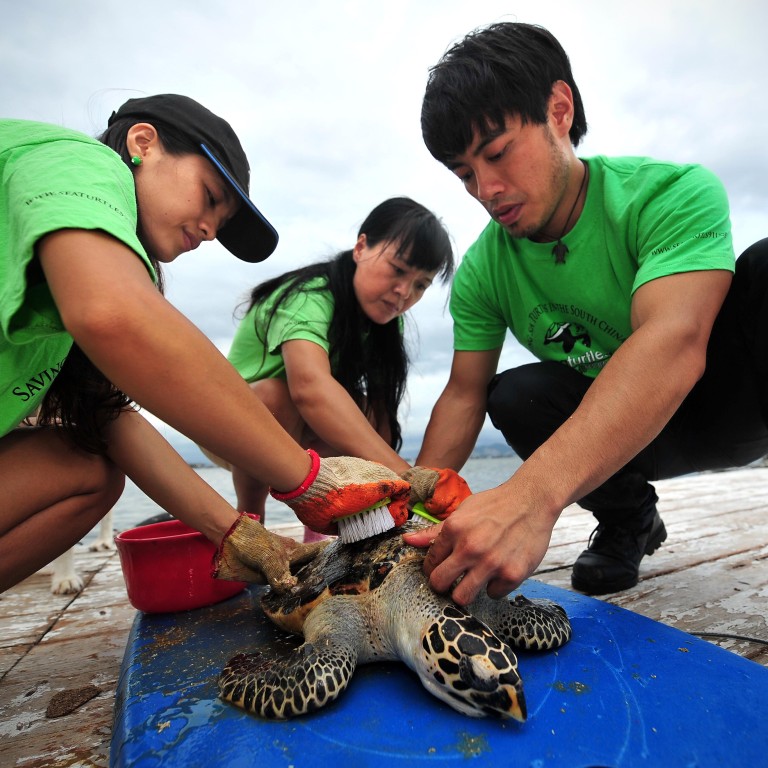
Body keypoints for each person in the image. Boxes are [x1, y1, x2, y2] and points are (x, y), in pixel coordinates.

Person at [403, 22, 768, 603]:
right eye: (465, 173)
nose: (485, 190)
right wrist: (410, 517)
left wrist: (529, 498)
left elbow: (674, 340)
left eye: (496, 153)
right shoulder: (483, 269)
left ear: (558, 110)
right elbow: (464, 395)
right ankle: (630, 521)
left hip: (725, 410)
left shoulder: (669, 193)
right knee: (513, 394)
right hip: (621, 444)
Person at [0, 93, 416, 594]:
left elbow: (110, 419)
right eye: (211, 197)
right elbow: (114, 314)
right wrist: (309, 480)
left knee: (90, 472)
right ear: (143, 143)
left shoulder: (74, 282)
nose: (210, 230)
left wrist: (237, 534)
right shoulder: (76, 160)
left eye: (220, 222)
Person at [201, 196, 464, 538]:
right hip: (228, 427)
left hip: (302, 434)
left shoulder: (387, 324)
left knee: (372, 414)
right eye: (398, 270)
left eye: (421, 285)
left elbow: (380, 424)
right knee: (274, 395)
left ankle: (326, 532)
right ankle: (251, 521)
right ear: (361, 247)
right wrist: (407, 478)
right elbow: (309, 388)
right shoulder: (308, 297)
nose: (404, 292)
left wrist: (396, 487)